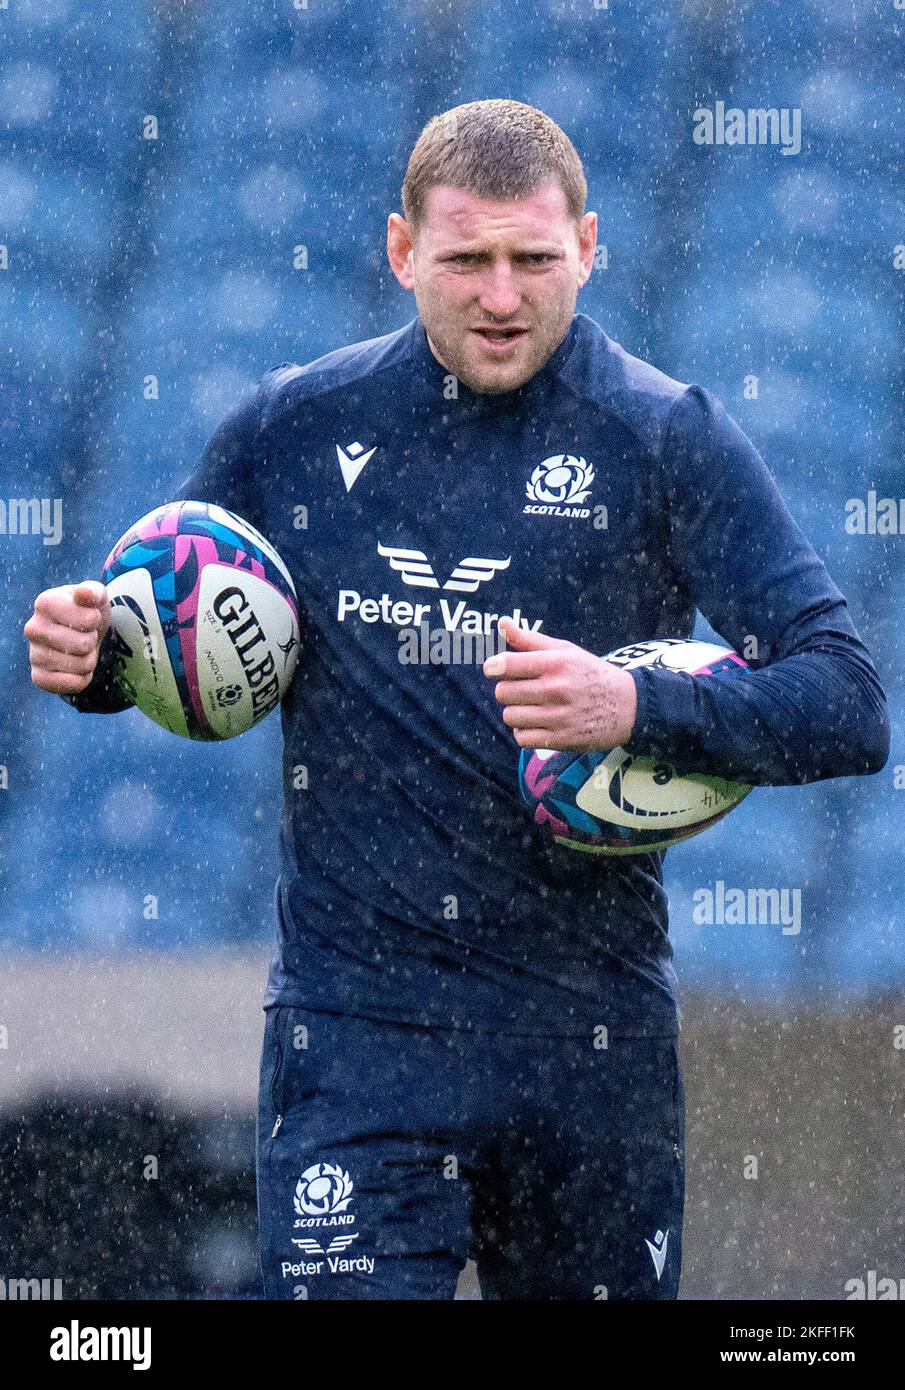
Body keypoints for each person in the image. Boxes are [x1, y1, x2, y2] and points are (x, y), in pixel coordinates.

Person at [24, 99, 890, 1301]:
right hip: (358, 1042)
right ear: (398, 252)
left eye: (533, 260)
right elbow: (173, 639)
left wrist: (633, 707)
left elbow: (847, 703)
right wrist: (95, 656)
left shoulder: (664, 437)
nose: (500, 295)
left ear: (588, 246)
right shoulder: (292, 428)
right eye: (465, 259)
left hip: (586, 1047)